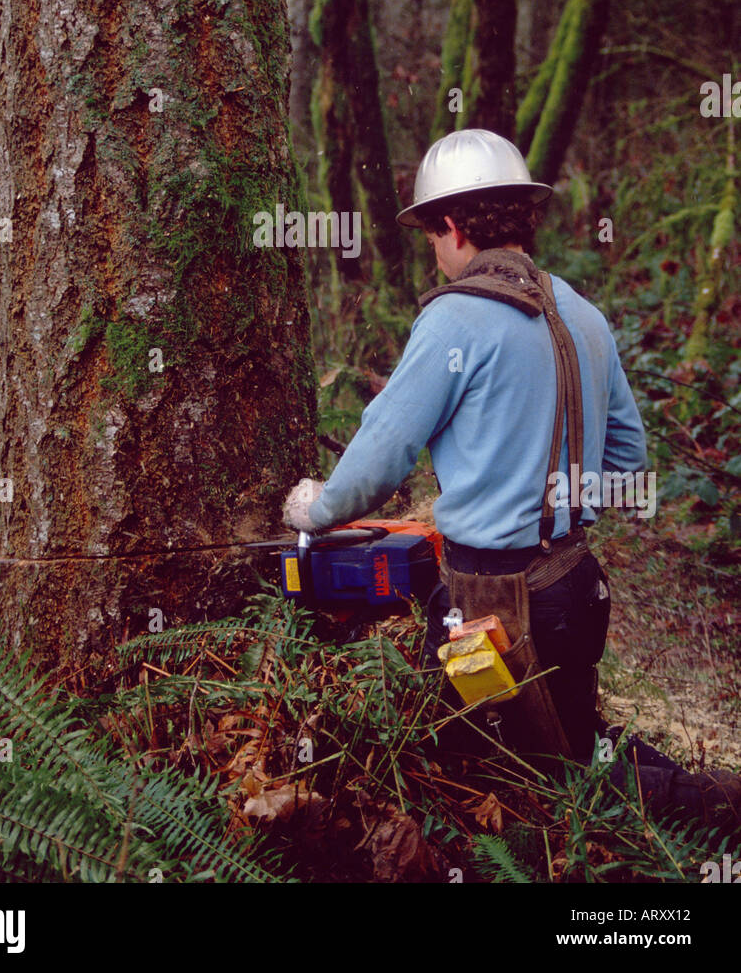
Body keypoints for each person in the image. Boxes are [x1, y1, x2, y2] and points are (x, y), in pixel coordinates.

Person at [281, 132, 741, 833]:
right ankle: (695, 792)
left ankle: (715, 803)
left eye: (432, 232)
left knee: (515, 775)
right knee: (571, 743)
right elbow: (624, 459)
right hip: (575, 585)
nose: (434, 250)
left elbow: (382, 452)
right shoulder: (581, 313)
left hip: (494, 601)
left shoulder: (453, 318)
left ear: (454, 225)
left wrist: (318, 508)